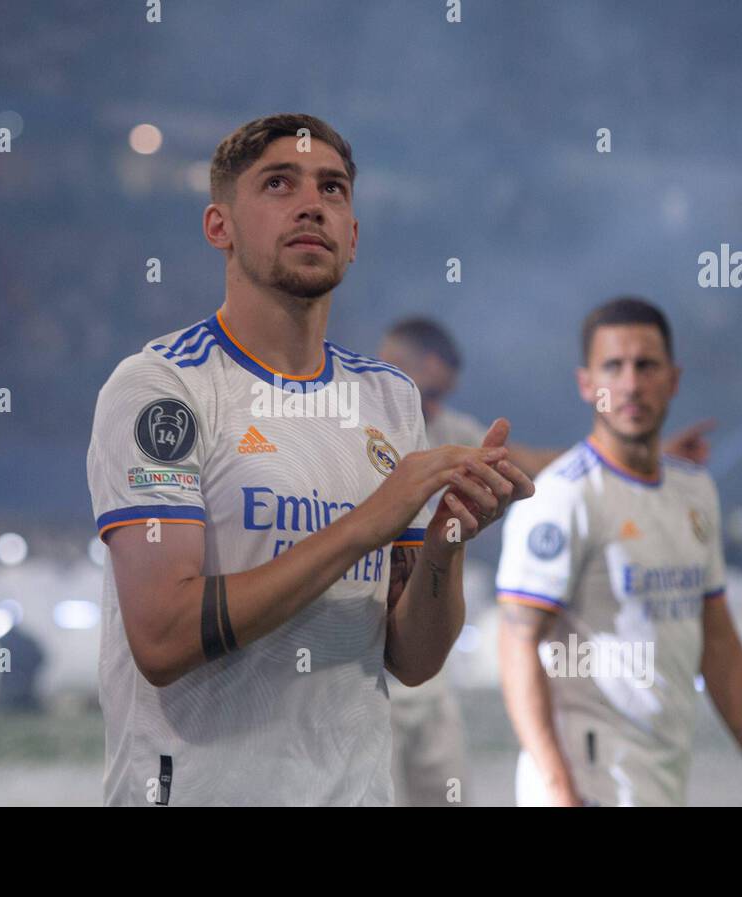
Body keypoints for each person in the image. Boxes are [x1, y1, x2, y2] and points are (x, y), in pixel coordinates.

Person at [85, 113, 533, 806]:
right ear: (219, 226)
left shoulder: (389, 401)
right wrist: (370, 520)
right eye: (277, 184)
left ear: (352, 236)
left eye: (332, 189)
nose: (311, 204)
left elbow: (411, 661)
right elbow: (164, 635)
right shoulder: (162, 389)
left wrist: (444, 546)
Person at [377, 317, 713, 806]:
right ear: (394, 366)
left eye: (439, 397)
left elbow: (535, 462)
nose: (430, 407)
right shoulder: (359, 432)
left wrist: (649, 452)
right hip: (370, 668)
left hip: (429, 669)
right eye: (424, 393)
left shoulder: (451, 429)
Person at [495, 296, 742, 807]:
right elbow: (517, 643)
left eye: (646, 365)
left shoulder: (695, 491)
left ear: (673, 380)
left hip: (662, 774)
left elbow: (717, 638)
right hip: (585, 779)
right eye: (614, 366)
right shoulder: (562, 498)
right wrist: (560, 790)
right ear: (587, 383)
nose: (630, 383)